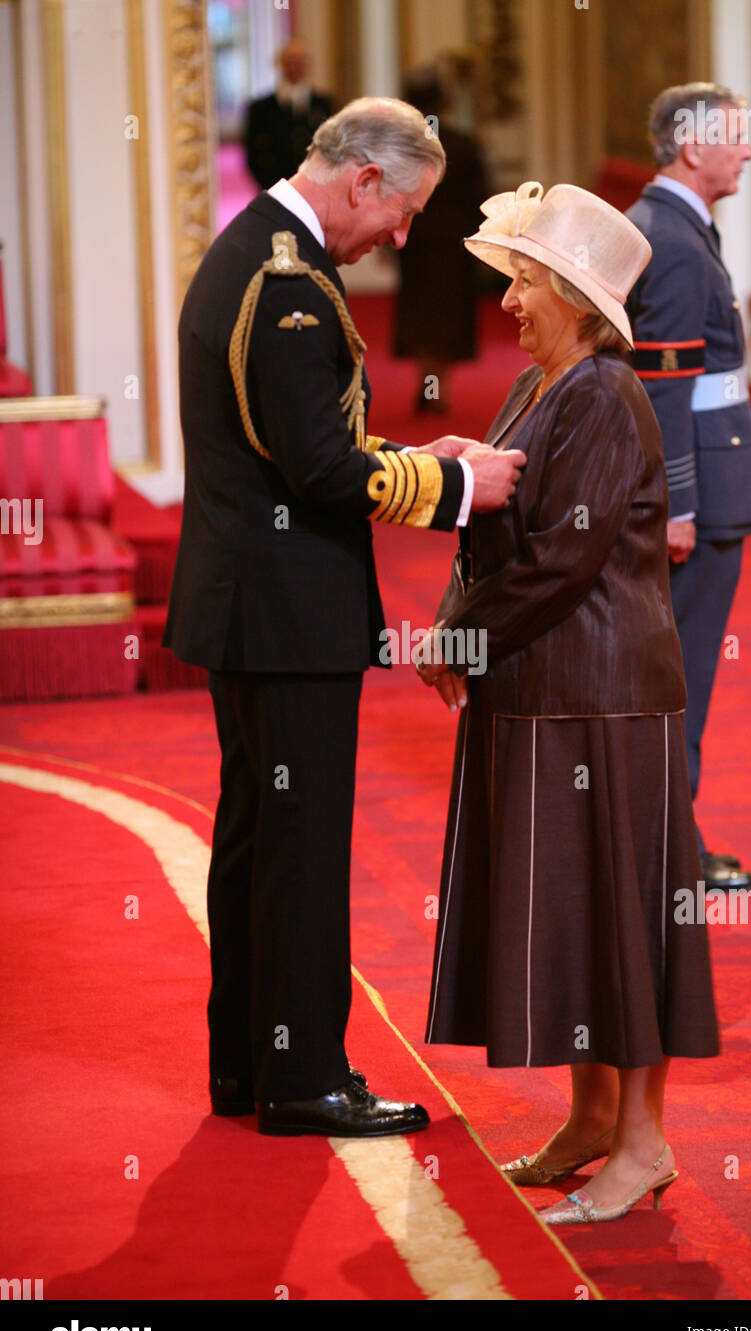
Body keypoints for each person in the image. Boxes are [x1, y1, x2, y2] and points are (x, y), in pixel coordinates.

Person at [163, 98, 526, 1139]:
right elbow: (321, 467)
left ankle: (248, 1065)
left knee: (259, 840)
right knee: (301, 848)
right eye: (405, 212)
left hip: (256, 603)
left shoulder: (267, 254)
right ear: (362, 179)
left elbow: (309, 441)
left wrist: (427, 458)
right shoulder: (287, 281)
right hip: (283, 611)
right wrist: (457, 492)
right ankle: (306, 1077)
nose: (402, 237)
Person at [417, 182, 719, 1224]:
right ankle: (593, 1121)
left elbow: (562, 563)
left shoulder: (599, 393)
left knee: (622, 922)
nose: (507, 300)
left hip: (600, 697)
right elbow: (493, 522)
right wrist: (460, 613)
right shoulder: (539, 385)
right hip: (544, 690)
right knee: (578, 914)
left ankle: (643, 1143)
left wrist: (458, 636)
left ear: (582, 302)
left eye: (526, 281)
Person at [626, 83, 751, 892]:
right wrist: (677, 505)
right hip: (701, 491)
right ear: (692, 147)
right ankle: (664, 855)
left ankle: (664, 840)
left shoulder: (668, 224)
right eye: (737, 138)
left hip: (710, 478)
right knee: (681, 673)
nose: (749, 150)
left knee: (679, 669)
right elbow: (663, 385)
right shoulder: (674, 239)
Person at [393, 66, 489, 413]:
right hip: (453, 243)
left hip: (415, 240)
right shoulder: (463, 144)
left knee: (421, 312)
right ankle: (437, 389)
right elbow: (481, 196)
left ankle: (427, 382)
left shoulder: (403, 149)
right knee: (447, 315)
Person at [244, 39, 333, 189]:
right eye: (290, 61)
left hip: (315, 185)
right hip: (275, 186)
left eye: (300, 61)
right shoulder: (260, 108)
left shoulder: (323, 104)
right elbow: (253, 154)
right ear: (280, 64)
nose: (295, 66)